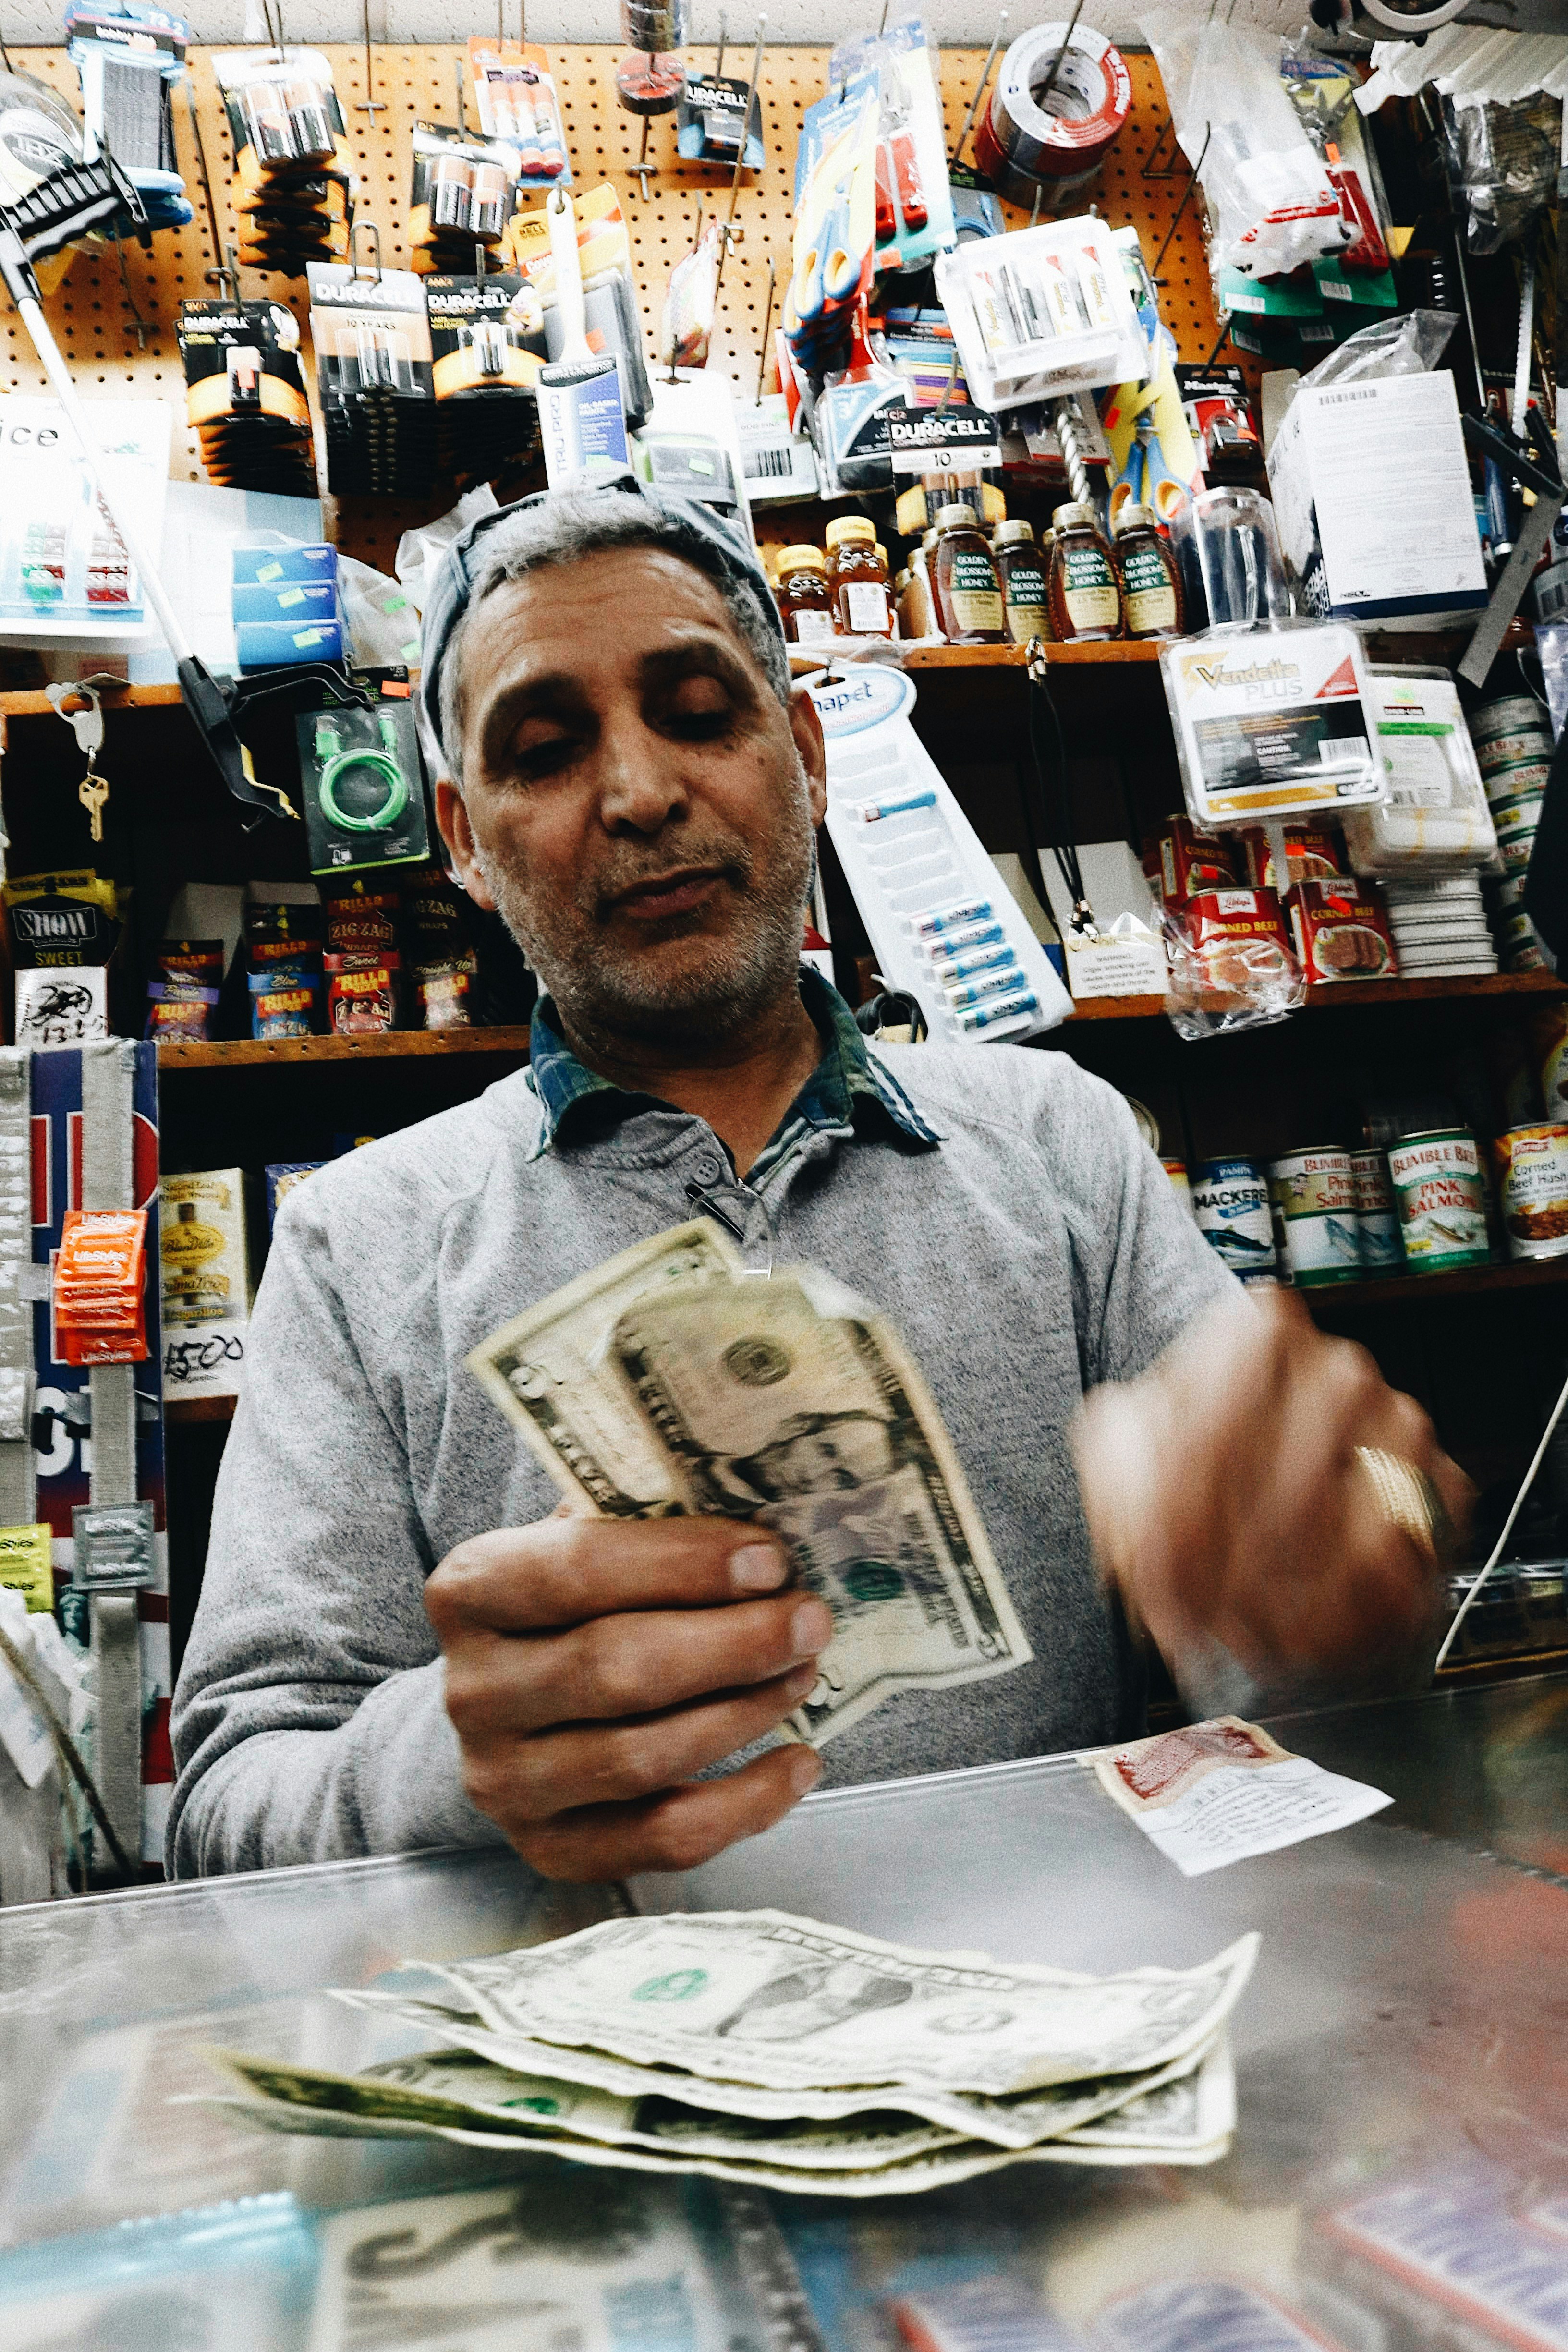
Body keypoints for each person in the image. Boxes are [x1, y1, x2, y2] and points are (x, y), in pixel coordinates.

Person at [167, 479, 1469, 1886]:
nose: (642, 791)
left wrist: (1360, 1556)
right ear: (466, 840)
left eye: (700, 711)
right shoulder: (359, 1246)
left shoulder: (1058, 1143)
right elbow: (228, 1804)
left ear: (804, 753)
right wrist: (443, 1754)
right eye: (543, 748)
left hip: (1059, 2044)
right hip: (608, 2083)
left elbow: (1309, 1616)